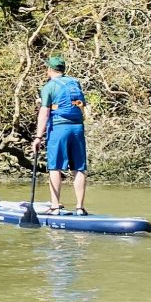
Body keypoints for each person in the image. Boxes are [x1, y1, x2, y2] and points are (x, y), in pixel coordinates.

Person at [30, 55, 90, 214]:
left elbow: (44, 113)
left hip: (58, 129)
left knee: (55, 167)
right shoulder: (75, 82)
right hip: (77, 129)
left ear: (50, 69)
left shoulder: (49, 87)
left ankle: (55, 206)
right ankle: (80, 207)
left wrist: (38, 137)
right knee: (78, 168)